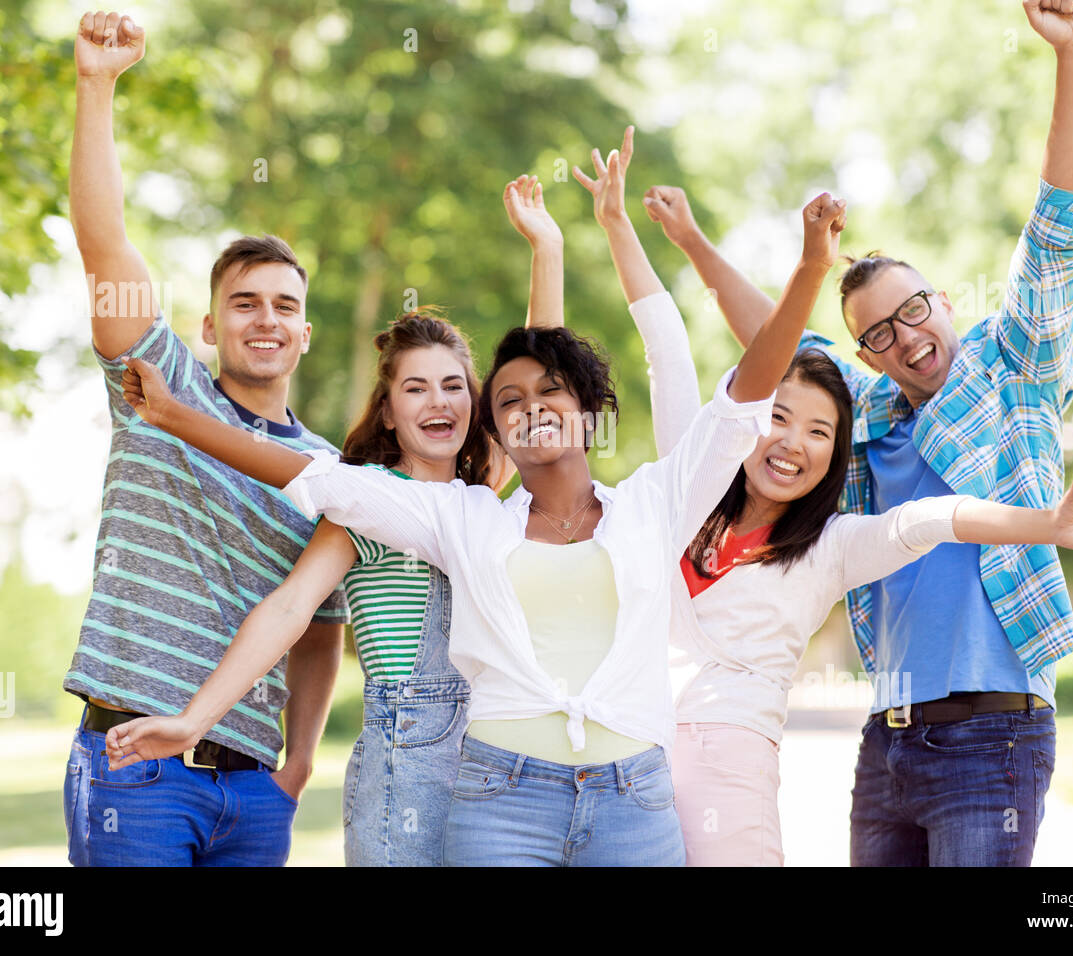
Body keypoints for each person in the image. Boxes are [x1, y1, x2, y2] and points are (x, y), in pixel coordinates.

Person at [107, 128, 844, 866]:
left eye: (461, 388)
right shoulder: (455, 515)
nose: (531, 407)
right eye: (509, 401)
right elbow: (310, 489)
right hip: (487, 788)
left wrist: (808, 268)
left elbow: (737, 395)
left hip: (629, 795)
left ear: (584, 412)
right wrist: (175, 416)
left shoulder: (642, 503)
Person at [642, 0, 1073, 865]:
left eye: (914, 309)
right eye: (879, 333)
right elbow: (777, 341)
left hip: (992, 733)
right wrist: (695, 241)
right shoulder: (871, 411)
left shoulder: (1017, 371)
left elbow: (1057, 231)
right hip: (887, 743)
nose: (906, 336)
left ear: (944, 302)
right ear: (868, 351)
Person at [88, 175, 564, 866]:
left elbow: (538, 370)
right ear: (391, 408)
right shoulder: (356, 502)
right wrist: (197, 719)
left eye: (456, 386)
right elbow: (288, 610)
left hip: (498, 759)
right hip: (403, 770)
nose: (439, 401)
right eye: (415, 387)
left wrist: (545, 247)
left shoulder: (481, 493)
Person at [62, 11, 347, 866]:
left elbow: (320, 628)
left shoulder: (330, 471)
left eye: (285, 306)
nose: (267, 319)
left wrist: (296, 764)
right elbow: (102, 242)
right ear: (210, 327)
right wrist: (97, 86)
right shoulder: (157, 387)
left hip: (254, 790)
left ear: (305, 335)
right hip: (132, 771)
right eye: (245, 303)